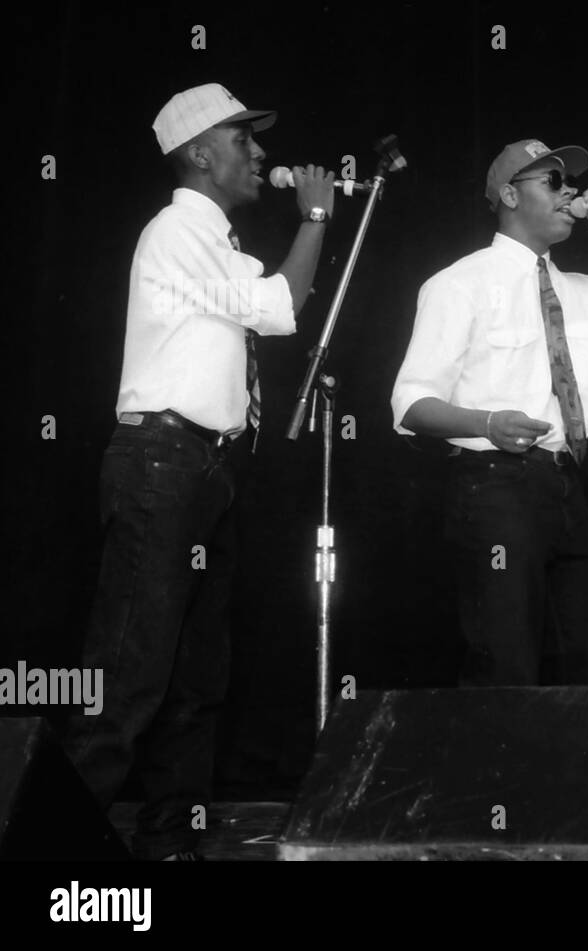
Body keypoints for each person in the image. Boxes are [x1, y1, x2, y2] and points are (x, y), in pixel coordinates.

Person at [60, 83, 336, 860]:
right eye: (244, 140)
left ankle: (171, 838)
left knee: (196, 673)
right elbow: (280, 309)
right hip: (161, 460)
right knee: (132, 666)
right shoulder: (175, 231)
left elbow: (269, 302)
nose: (261, 155)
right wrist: (314, 217)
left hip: (203, 466)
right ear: (200, 153)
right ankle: (51, 848)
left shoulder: (220, 243)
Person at [391, 139, 588, 686]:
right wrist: (488, 424)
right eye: (553, 182)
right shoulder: (458, 283)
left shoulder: (580, 289)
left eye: (569, 183)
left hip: (565, 483)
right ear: (509, 195)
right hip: (492, 485)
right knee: (506, 656)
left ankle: (570, 770)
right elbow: (410, 402)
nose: (569, 193)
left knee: (582, 659)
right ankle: (496, 770)